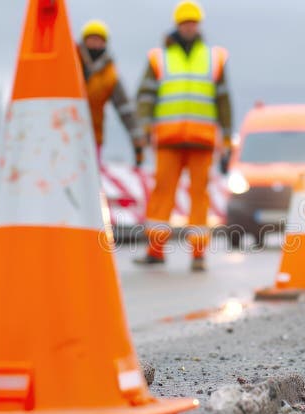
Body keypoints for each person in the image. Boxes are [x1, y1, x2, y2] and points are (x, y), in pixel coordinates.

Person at [133, 0, 232, 272]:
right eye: (185, 23)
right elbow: (145, 96)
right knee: (162, 191)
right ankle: (155, 250)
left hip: (201, 139)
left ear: (198, 25)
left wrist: (225, 139)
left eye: (193, 23)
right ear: (177, 25)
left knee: (200, 195)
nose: (189, 27)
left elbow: (223, 101)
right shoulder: (159, 58)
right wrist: (143, 127)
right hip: (168, 138)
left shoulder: (213, 58)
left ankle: (198, 253)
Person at [77, 20, 144, 167]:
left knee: (90, 181)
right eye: (92, 39)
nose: (95, 44)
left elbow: (125, 109)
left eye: (99, 40)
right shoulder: (69, 62)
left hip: (93, 137)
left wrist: (137, 139)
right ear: (84, 41)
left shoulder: (110, 75)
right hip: (62, 134)